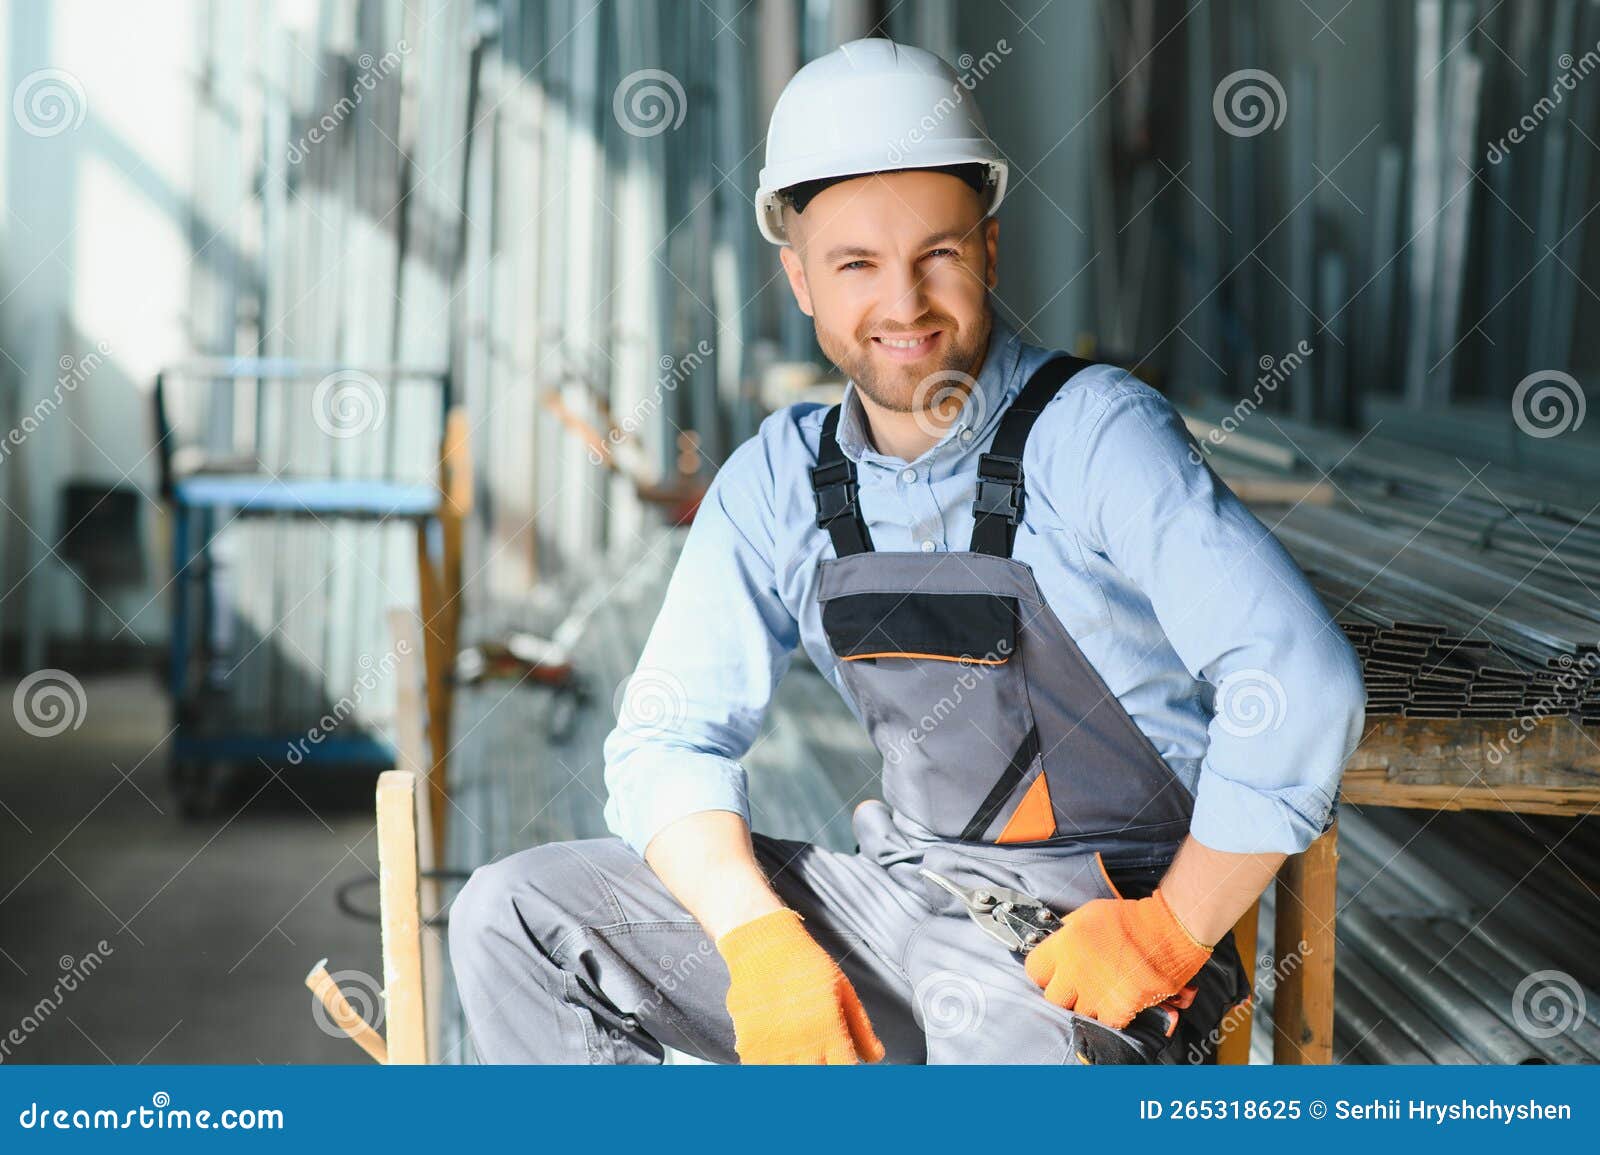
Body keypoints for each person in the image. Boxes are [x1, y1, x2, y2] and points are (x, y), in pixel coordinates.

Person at [450, 36, 1365, 1065]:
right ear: (797, 277)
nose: (904, 304)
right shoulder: (779, 481)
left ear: (989, 249)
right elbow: (667, 741)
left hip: (1085, 953)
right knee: (515, 914)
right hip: (904, 903)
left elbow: (1300, 680)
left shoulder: (1096, 436)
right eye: (855, 265)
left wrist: (1169, 932)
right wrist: (759, 944)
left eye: (937, 252)